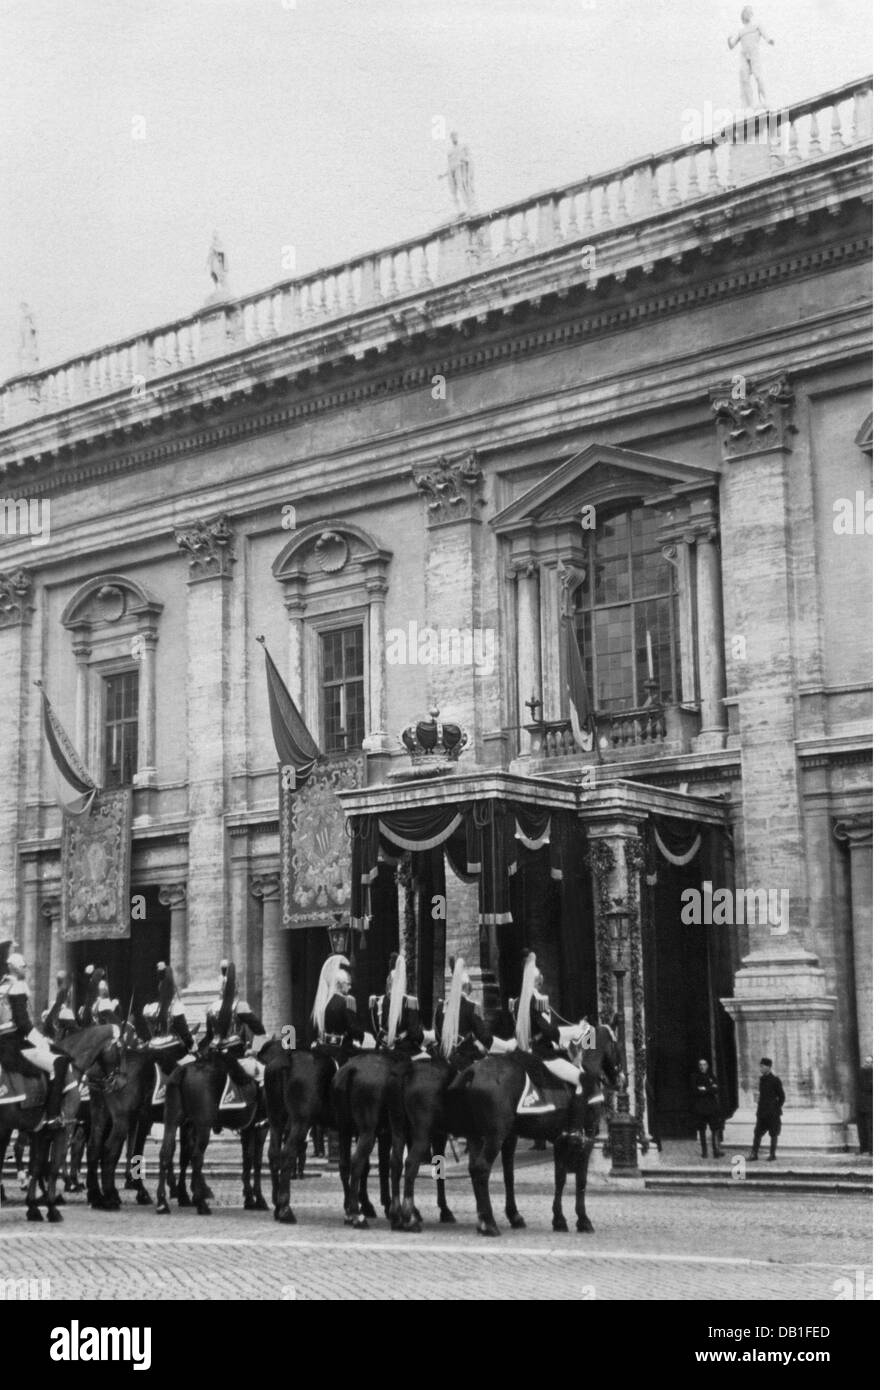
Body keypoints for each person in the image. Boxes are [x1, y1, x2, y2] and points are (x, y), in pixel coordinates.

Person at [0, 952, 68, 1129]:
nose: (25, 970)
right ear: (14, 968)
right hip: (14, 1045)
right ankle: (52, 1116)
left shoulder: (2, 986)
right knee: (58, 1063)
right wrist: (41, 1041)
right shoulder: (17, 986)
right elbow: (23, 1023)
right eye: (23, 967)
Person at [514, 952, 583, 1091]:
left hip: (524, 1050)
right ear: (539, 981)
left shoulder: (517, 1002)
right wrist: (562, 1038)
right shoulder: (538, 1001)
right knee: (582, 1080)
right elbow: (547, 1030)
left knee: (577, 1031)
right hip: (542, 1053)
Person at [202, 960, 266, 1082]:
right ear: (236, 988)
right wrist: (254, 1050)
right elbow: (259, 1030)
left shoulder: (210, 1008)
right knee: (264, 1075)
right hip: (236, 1056)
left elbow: (209, 1036)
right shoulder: (240, 1006)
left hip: (213, 1056)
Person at [435, 958, 493, 1061]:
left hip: (444, 1056)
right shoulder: (472, 1007)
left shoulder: (440, 1007)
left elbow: (437, 1035)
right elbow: (483, 1036)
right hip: (465, 1057)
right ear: (466, 987)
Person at [369, 954, 424, 1056]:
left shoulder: (377, 1002)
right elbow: (415, 1034)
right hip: (403, 1050)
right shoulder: (409, 1002)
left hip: (381, 1048)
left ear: (388, 983)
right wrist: (421, 1037)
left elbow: (374, 1029)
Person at [310, 955, 364, 1059]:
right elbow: (352, 1028)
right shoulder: (346, 1001)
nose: (350, 986)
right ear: (339, 984)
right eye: (348, 984)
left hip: (325, 1047)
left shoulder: (324, 1002)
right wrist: (363, 1036)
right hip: (342, 1049)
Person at [142, 962, 194, 1069]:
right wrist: (192, 1045)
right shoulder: (175, 1007)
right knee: (193, 1061)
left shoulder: (149, 1008)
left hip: (153, 1048)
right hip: (172, 1050)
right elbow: (184, 1033)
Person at [727, 6, 774, 109]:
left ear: (751, 14)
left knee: (759, 77)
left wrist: (769, 40)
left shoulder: (756, 25)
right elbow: (732, 45)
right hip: (744, 56)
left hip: (754, 54)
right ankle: (750, 105)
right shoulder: (741, 31)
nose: (746, 15)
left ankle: (764, 100)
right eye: (745, 14)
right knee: (745, 79)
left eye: (748, 13)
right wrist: (728, 41)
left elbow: (765, 34)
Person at [748, 1057, 785, 1160]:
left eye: (762, 1066)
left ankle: (772, 1155)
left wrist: (775, 1108)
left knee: (773, 1134)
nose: (760, 1068)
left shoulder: (775, 1080)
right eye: (760, 1066)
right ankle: (754, 1154)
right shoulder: (761, 1080)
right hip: (762, 1112)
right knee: (757, 1133)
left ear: (768, 1067)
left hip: (772, 1113)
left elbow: (782, 1097)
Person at [691, 1057, 723, 1158]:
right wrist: (710, 1088)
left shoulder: (711, 1076)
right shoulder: (695, 1077)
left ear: (707, 1066)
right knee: (702, 1130)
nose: (702, 1067)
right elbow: (695, 1091)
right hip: (700, 1108)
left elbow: (717, 1089)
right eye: (700, 1065)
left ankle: (715, 1150)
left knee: (715, 1129)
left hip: (712, 1107)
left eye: (704, 1065)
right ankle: (704, 1151)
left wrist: (705, 1089)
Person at [856, 1056, 872, 1156]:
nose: (868, 1064)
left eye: (870, 1062)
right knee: (867, 1128)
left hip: (866, 1105)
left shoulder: (863, 1072)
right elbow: (866, 1087)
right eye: (867, 1062)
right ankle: (867, 1149)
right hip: (866, 1105)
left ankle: (867, 1149)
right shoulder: (863, 1073)